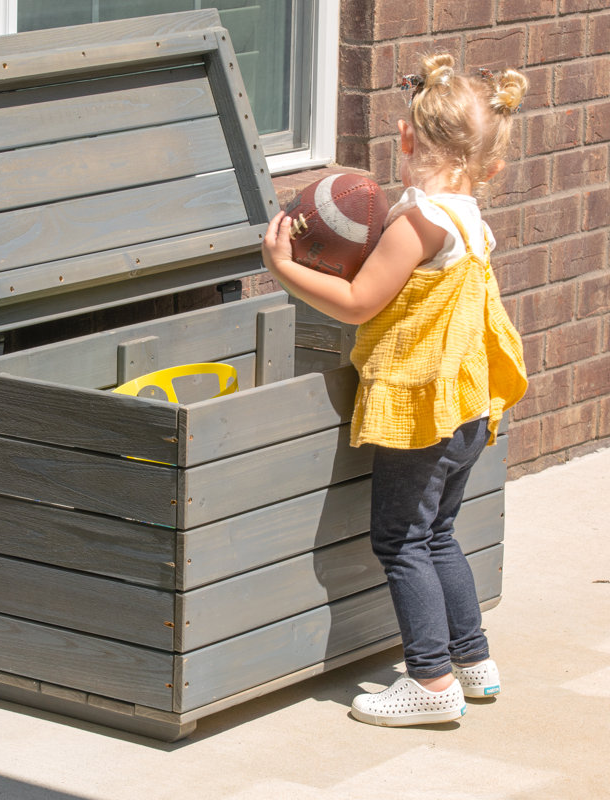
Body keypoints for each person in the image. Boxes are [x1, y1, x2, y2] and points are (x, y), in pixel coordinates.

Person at [261, 53, 529, 727]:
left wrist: (283, 267)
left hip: (420, 410)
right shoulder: (465, 216)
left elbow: (357, 302)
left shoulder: (417, 225)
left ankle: (432, 684)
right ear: (489, 166)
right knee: (438, 533)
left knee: (401, 540)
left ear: (406, 138)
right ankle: (473, 661)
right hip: (464, 405)